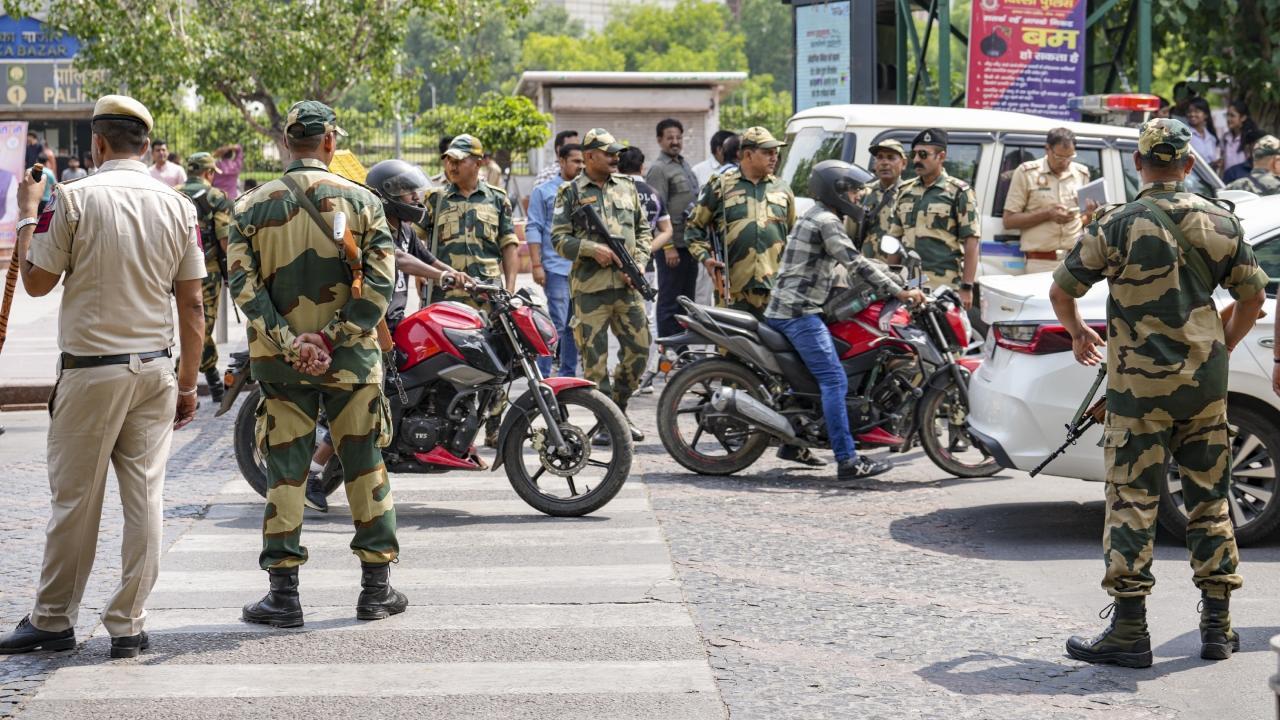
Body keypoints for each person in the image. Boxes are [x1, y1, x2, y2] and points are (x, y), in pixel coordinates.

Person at [1050, 118, 1267, 668]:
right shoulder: (1222, 221)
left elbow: (1061, 290)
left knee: (1132, 502)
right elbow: (1253, 298)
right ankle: (1217, 628)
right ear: (1189, 164)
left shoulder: (1115, 224)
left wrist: (1079, 333)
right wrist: (1221, 343)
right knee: (1210, 500)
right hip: (1204, 388)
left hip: (1137, 392)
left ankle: (1130, 631)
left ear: (1138, 164)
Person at [0, 95, 206, 659]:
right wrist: (189, 383)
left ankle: (53, 619)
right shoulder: (178, 206)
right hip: (156, 369)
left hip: (91, 372)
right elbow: (192, 305)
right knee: (146, 500)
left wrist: (28, 213)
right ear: (146, 145)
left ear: (97, 143)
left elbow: (37, 283)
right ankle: (128, 625)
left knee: (76, 502)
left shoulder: (72, 198)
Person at [228, 100, 405, 628]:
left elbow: (244, 290)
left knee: (286, 471)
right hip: (351, 363)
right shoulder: (365, 202)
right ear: (330, 142)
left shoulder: (249, 207)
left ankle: (283, 596)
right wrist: (331, 338)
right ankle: (376, 590)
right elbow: (380, 287)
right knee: (364, 465)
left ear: (287, 143)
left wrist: (291, 344)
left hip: (281, 366)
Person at [303, 158, 468, 513]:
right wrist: (441, 277)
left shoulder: (406, 228)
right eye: (409, 193)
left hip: (392, 325)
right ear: (389, 195)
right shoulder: (376, 226)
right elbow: (401, 260)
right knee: (366, 401)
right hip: (368, 326)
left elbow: (428, 260)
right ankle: (313, 473)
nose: (416, 198)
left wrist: (462, 278)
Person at [764, 160, 924, 480]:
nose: (857, 197)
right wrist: (900, 291)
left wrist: (888, 273)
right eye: (853, 191)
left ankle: (795, 443)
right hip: (798, 314)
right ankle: (848, 460)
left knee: (815, 376)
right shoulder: (827, 221)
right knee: (834, 380)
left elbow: (853, 260)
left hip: (786, 309)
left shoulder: (815, 215)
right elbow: (855, 263)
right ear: (836, 191)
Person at [551, 128, 651, 443]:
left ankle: (618, 411)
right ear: (590, 156)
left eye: (616, 153)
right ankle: (609, 423)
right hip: (590, 290)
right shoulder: (570, 192)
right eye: (608, 153)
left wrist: (639, 263)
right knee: (595, 363)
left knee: (639, 351)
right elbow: (558, 239)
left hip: (627, 286)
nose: (615, 157)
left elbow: (644, 231)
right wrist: (591, 249)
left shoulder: (628, 187)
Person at [420, 133, 519, 447]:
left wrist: (509, 290)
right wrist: (422, 283)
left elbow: (509, 246)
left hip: (487, 298)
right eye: (448, 160)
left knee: (497, 362)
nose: (451, 166)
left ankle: (494, 426)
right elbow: (418, 246)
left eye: (459, 160)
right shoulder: (434, 198)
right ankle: (453, 430)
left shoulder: (498, 199)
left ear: (478, 162)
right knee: (448, 365)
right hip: (445, 300)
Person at [887, 128, 980, 307]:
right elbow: (894, 240)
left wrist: (967, 286)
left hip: (944, 287)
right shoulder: (904, 191)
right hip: (909, 285)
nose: (916, 160)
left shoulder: (959, 192)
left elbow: (972, 241)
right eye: (914, 154)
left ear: (941, 156)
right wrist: (892, 281)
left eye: (923, 154)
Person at [178, 152, 234, 404]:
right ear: (209, 172)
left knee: (198, 327)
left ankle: (215, 385)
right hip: (206, 272)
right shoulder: (217, 197)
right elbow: (225, 241)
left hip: (177, 272)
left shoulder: (173, 193)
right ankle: (176, 381)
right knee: (200, 329)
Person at [1001, 128, 1097, 274]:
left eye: (1070, 156)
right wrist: (1047, 214)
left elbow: (1084, 220)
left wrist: (1090, 215)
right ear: (1047, 149)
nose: (1065, 162)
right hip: (1041, 262)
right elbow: (1009, 221)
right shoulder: (1027, 173)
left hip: (1075, 259)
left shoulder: (1081, 174)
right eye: (1059, 157)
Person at [526, 142, 584, 380]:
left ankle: (568, 374)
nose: (580, 166)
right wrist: (536, 265)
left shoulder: (587, 192)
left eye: (583, 162)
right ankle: (542, 375)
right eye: (576, 161)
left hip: (583, 270)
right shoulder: (544, 192)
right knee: (556, 324)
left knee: (575, 325)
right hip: (556, 268)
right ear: (561, 161)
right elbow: (534, 228)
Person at [617, 146, 672, 396]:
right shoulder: (653, 193)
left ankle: (620, 373)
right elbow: (667, 230)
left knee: (618, 318)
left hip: (616, 266)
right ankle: (644, 376)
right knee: (645, 319)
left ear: (618, 168)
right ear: (643, 167)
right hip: (646, 267)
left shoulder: (614, 192)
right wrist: (647, 248)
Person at [645, 119, 701, 352]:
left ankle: (683, 351)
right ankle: (668, 352)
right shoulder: (659, 169)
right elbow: (656, 210)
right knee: (669, 301)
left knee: (686, 301)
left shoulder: (684, 165)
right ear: (660, 140)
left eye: (678, 137)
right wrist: (667, 247)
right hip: (672, 246)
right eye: (670, 138)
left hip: (689, 245)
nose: (675, 142)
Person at [858, 138, 907, 258]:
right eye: (880, 157)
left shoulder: (909, 195)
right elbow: (850, 233)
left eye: (891, 157)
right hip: (866, 265)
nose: (884, 163)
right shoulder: (864, 194)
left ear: (904, 163)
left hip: (897, 266)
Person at [1219, 101, 1258, 174]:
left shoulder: (1250, 138)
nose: (1228, 119)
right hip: (1228, 178)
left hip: (1244, 179)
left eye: (1232, 116)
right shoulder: (1225, 138)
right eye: (1227, 115)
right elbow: (1222, 164)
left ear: (1243, 118)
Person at [1185, 97, 1219, 165]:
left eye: (1196, 111)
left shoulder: (1211, 138)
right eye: (1189, 111)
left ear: (1206, 115)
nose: (1192, 114)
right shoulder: (1184, 135)